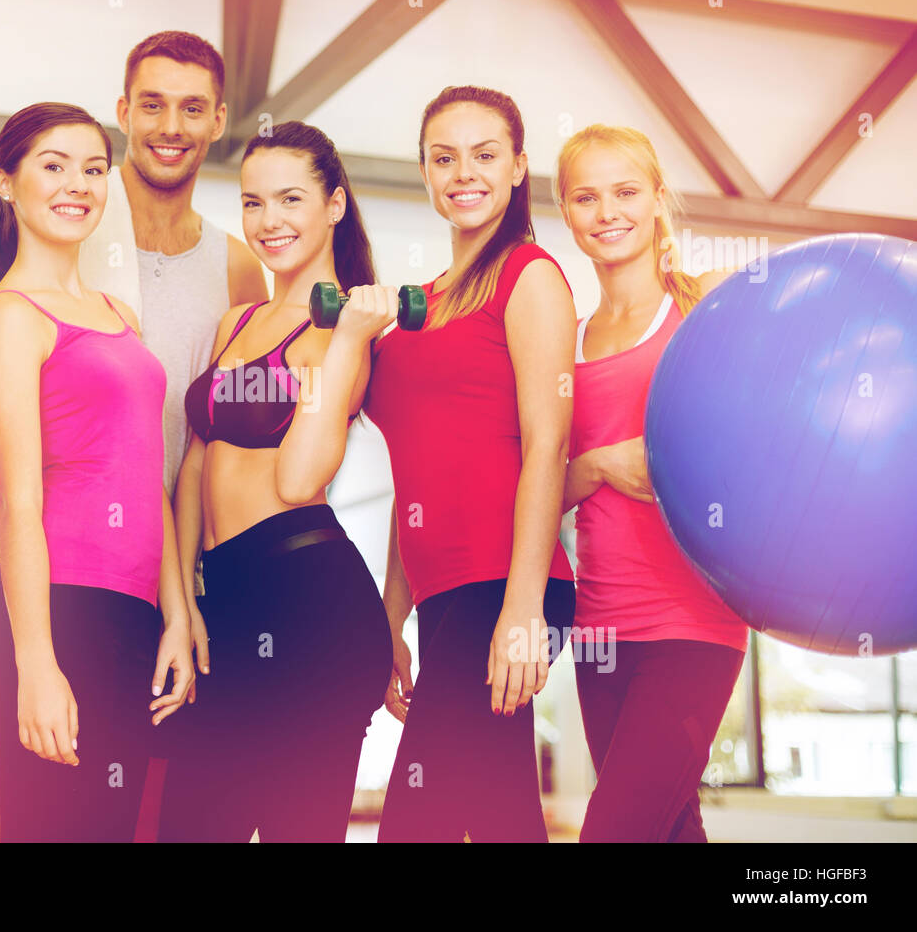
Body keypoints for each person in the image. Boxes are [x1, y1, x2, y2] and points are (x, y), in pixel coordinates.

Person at [0, 31, 266, 842]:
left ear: (218, 119)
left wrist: (184, 600)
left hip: (155, 575)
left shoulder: (231, 269)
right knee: (2, 814)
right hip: (49, 572)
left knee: (129, 814)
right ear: (125, 112)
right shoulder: (40, 242)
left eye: (192, 108)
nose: (171, 126)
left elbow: (208, 443)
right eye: (152, 105)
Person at [157, 122, 392, 842]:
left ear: (334, 204)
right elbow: (196, 462)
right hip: (225, 596)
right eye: (253, 202)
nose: (269, 221)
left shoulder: (344, 332)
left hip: (310, 608)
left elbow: (298, 478)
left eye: (291, 199)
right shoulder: (239, 320)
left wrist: (347, 340)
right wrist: (183, 602)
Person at [0, 101, 194, 842]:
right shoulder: (13, 315)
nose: (78, 184)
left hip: (131, 611)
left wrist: (173, 616)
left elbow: (148, 479)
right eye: (54, 165)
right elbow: (19, 504)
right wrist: (36, 661)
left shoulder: (119, 315)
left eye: (94, 169)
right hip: (57, 606)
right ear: (7, 182)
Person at [365, 86, 577, 842]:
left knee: (415, 819)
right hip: (443, 597)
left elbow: (548, 445)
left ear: (518, 166)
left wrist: (522, 610)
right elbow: (414, 478)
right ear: (424, 171)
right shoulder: (413, 307)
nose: (464, 173)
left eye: (485, 155)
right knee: (498, 812)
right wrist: (391, 617)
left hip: (507, 587)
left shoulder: (530, 276)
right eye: (444, 157)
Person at [554, 123, 747, 842]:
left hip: (695, 624)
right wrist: (598, 464)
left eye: (626, 192)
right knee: (669, 830)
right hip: (600, 630)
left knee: (614, 832)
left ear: (659, 198)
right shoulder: (563, 342)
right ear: (566, 211)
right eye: (586, 197)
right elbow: (539, 490)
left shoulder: (707, 306)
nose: (607, 212)